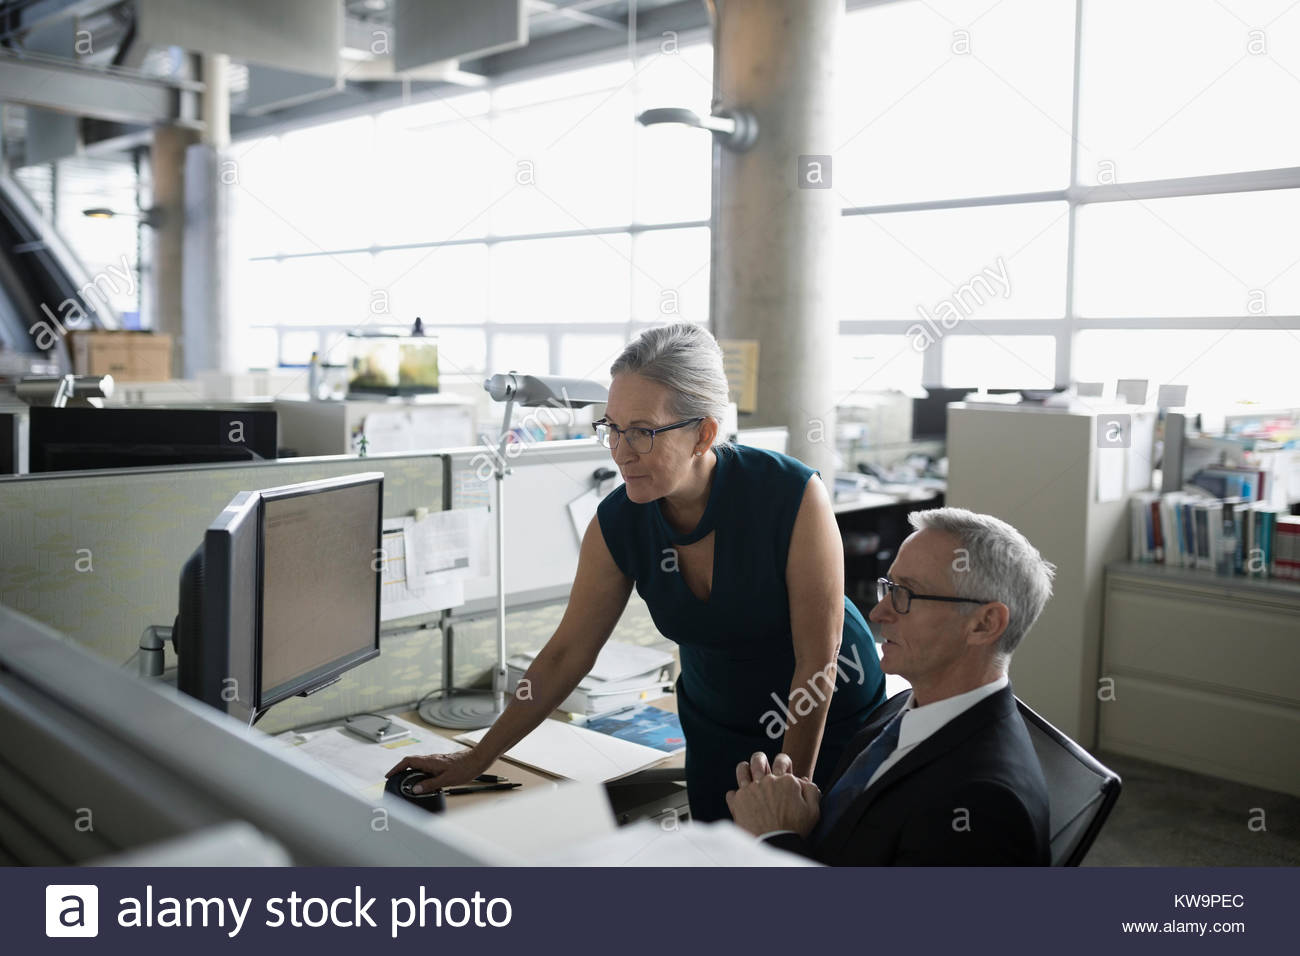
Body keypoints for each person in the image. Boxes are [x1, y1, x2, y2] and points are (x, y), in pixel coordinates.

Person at [388, 323, 886, 821]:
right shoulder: (619, 522)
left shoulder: (789, 496)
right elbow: (565, 654)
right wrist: (479, 756)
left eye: (643, 431)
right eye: (612, 428)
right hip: (719, 725)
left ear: (703, 433)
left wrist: (788, 789)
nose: (621, 452)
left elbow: (818, 660)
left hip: (824, 720)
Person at [726, 507, 1054, 865]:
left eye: (907, 595)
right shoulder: (900, 709)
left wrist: (775, 838)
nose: (878, 613)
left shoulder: (984, 806)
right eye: (889, 587)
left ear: (984, 623)